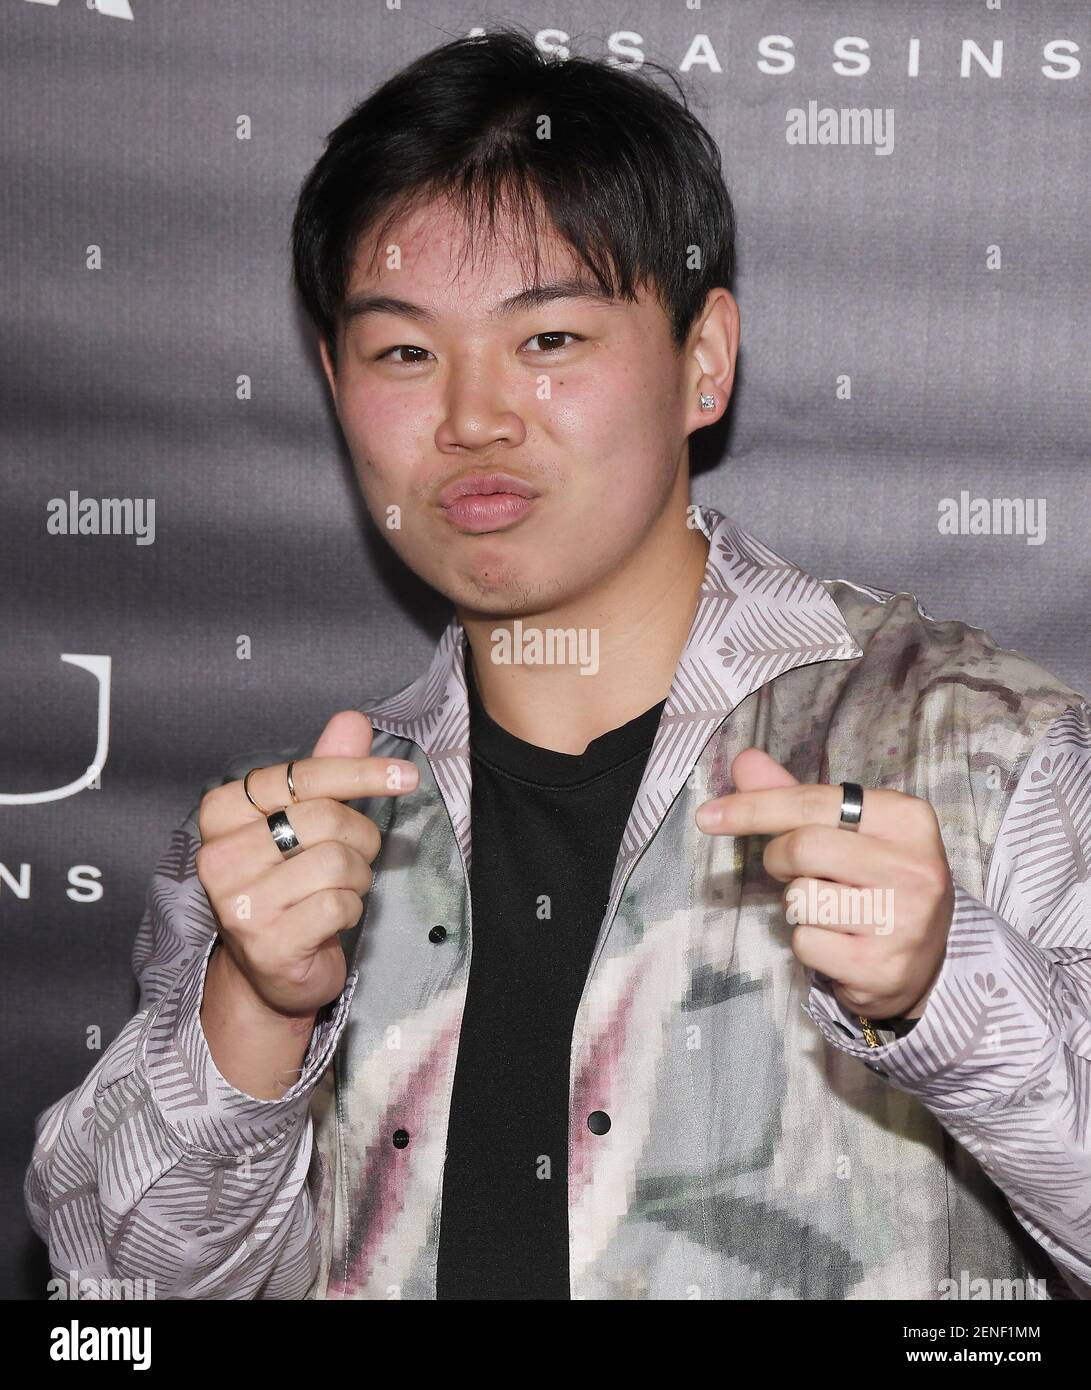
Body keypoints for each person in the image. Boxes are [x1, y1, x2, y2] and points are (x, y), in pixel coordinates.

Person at [25, 27, 1091, 1301]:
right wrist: (256, 1014)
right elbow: (106, 1306)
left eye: (548, 341)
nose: (472, 416)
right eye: (405, 352)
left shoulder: (981, 754)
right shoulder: (279, 845)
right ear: (333, 379)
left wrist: (947, 992)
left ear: (702, 360)